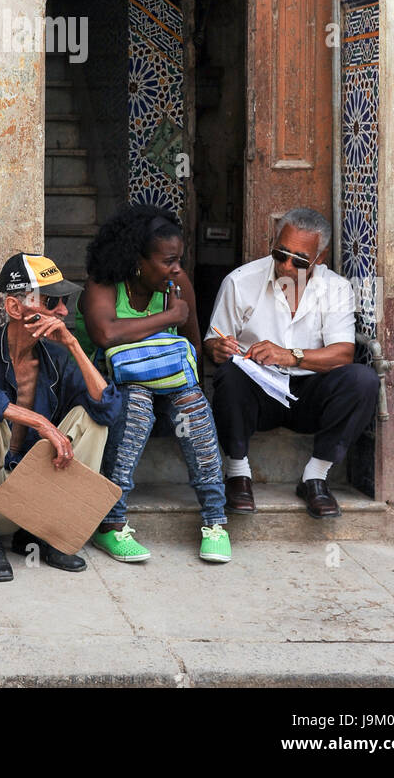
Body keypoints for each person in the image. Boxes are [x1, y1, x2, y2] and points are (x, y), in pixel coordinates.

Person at [0, 252, 121, 582]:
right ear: (15, 308)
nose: (62, 312)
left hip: (26, 501)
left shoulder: (58, 358)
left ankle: (43, 533)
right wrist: (40, 422)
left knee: (91, 420)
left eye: (64, 302)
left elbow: (108, 409)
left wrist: (74, 345)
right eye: (51, 302)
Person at [77, 204, 231, 565]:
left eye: (179, 260)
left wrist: (192, 392)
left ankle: (215, 520)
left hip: (169, 387)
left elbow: (192, 347)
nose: (176, 268)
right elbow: (105, 334)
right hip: (109, 389)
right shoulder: (103, 284)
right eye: (167, 261)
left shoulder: (177, 285)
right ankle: (111, 524)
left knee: (192, 403)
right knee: (136, 403)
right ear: (138, 262)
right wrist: (170, 317)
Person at [205, 207, 379, 518]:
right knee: (229, 374)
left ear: (319, 259)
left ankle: (315, 477)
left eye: (299, 260)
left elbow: (343, 354)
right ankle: (237, 473)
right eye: (280, 254)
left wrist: (291, 355)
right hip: (257, 392)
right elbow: (213, 342)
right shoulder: (240, 281)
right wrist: (217, 348)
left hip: (309, 393)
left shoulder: (336, 287)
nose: (286, 265)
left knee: (363, 380)